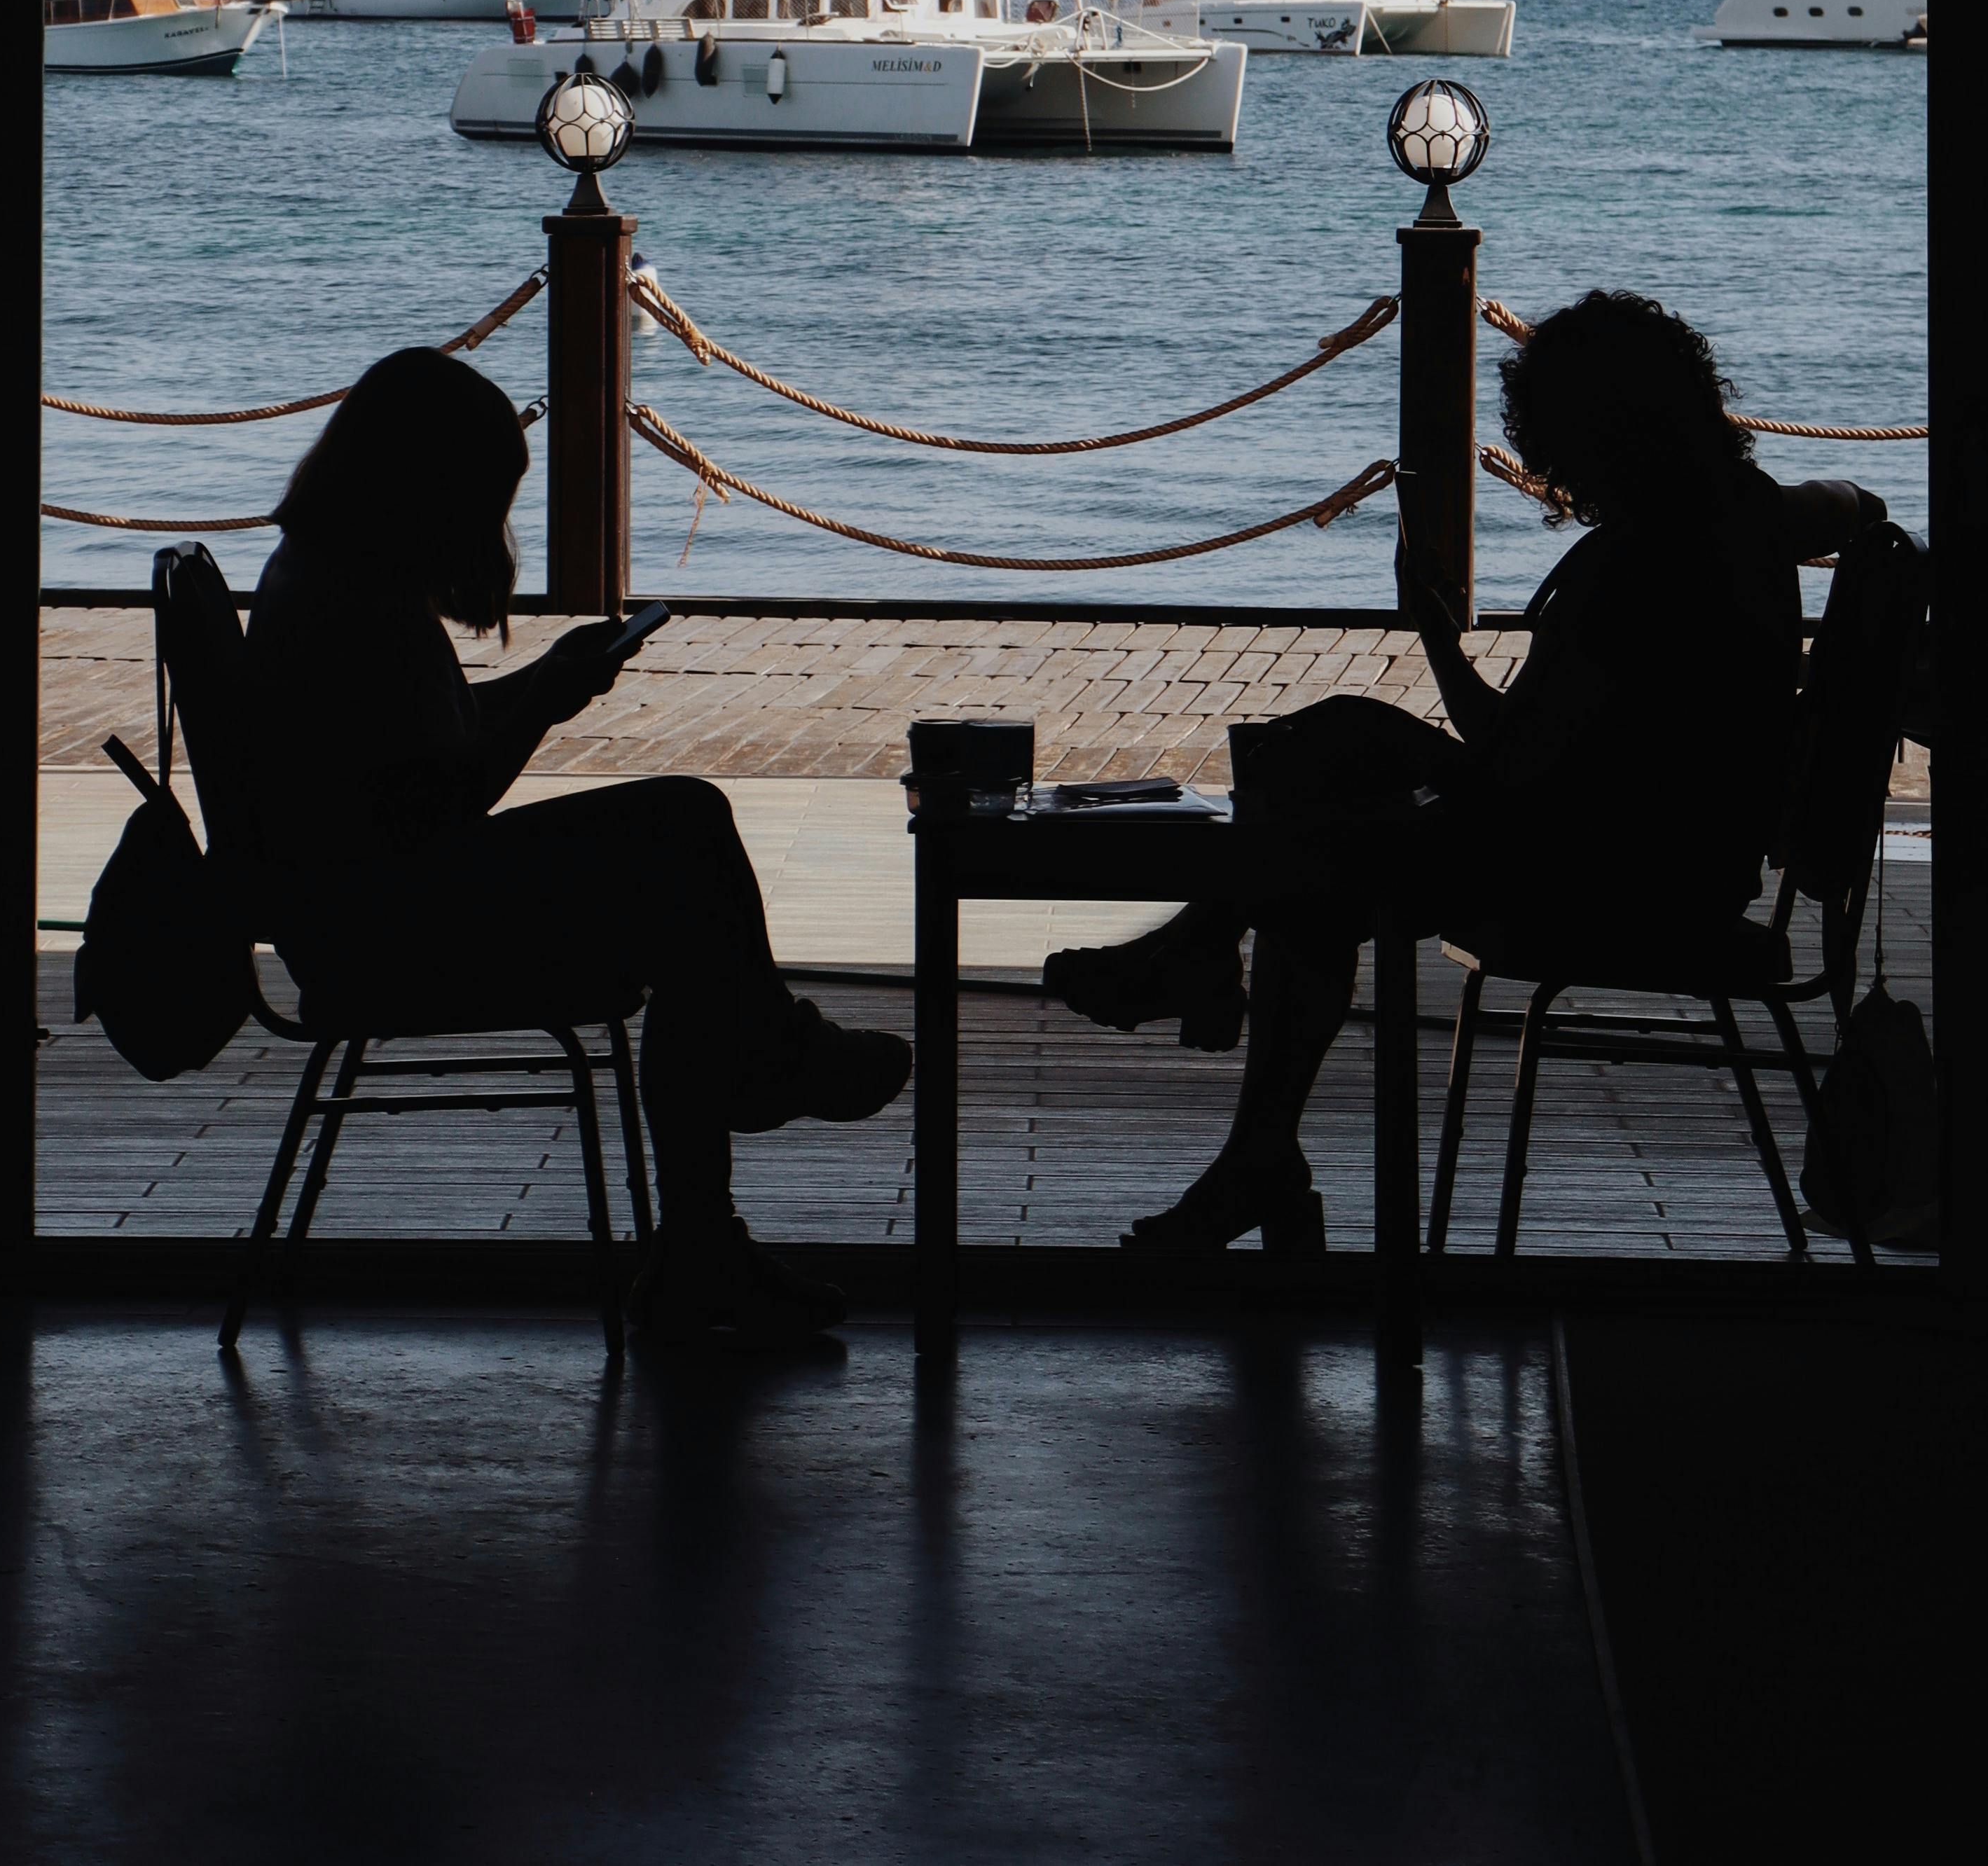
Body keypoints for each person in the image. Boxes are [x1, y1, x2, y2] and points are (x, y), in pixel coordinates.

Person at [1041, 288, 1886, 1254]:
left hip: (1609, 878)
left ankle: (1218, 1025)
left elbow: (1505, 760)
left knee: (1320, 827)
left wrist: (1436, 639)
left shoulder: (1633, 570)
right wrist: (1849, 516)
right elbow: (1858, 503)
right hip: (1665, 851)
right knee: (1332, 770)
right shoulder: (1743, 517)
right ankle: (1221, 1040)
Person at [243, 345, 911, 1339]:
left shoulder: (323, 577)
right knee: (682, 835)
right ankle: (750, 1110)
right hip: (388, 937)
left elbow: (419, 764)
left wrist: (540, 687)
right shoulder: (361, 610)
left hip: (356, 915)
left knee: (679, 880)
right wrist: (545, 703)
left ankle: (728, 1176)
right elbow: (439, 806)